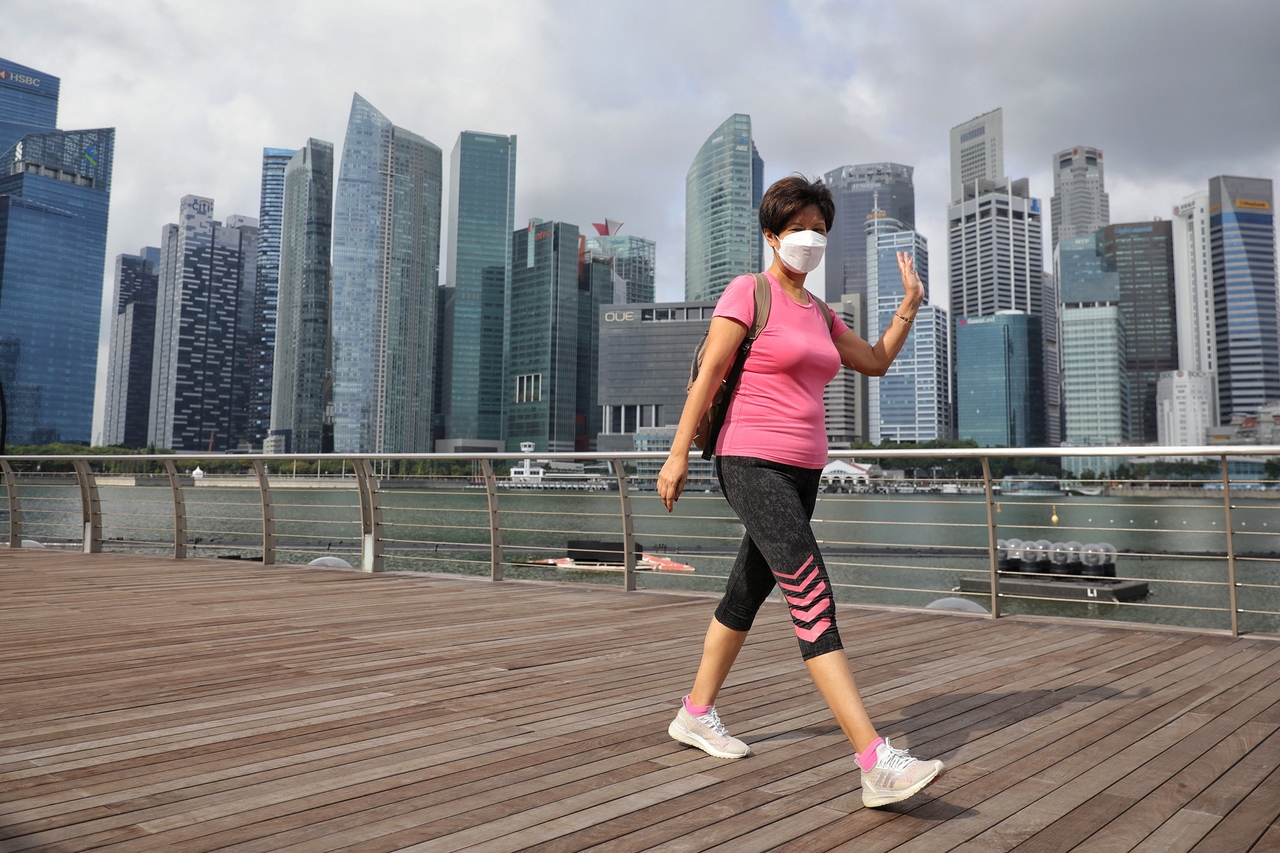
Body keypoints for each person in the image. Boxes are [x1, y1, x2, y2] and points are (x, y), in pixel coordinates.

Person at [657, 174, 944, 808]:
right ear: (772, 235)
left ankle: (695, 713)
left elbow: (874, 362)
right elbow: (711, 373)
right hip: (749, 460)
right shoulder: (749, 291)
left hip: (804, 470)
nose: (810, 239)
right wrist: (677, 456)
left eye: (819, 229)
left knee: (745, 591)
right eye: (797, 229)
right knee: (811, 592)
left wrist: (909, 305)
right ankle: (874, 760)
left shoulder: (820, 312)